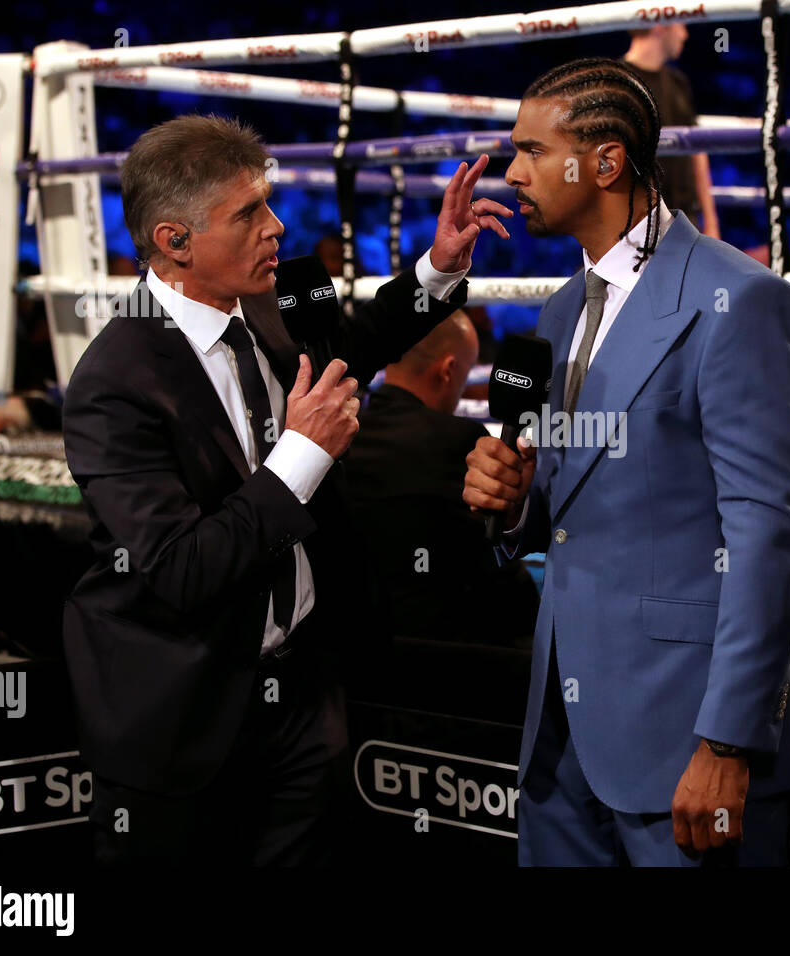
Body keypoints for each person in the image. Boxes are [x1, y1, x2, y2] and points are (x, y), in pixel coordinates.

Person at [61, 114, 510, 864]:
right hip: (181, 718)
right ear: (175, 242)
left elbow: (354, 352)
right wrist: (302, 453)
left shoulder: (261, 304)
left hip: (302, 696)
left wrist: (436, 268)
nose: (275, 227)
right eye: (248, 213)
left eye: (267, 203)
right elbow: (180, 568)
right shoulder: (112, 383)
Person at [463, 58, 790, 866]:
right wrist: (511, 501)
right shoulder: (558, 312)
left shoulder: (741, 300)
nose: (511, 172)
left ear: (605, 160)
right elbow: (565, 515)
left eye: (528, 150)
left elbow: (767, 538)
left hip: (684, 744)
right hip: (560, 743)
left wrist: (727, 741)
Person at [341, 311, 539, 644]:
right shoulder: (457, 441)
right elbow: (498, 573)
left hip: (353, 645)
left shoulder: (344, 433)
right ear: (448, 370)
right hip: (440, 653)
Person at [622, 24, 720, 239]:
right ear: (660, 25)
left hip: (684, 219)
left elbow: (698, 152)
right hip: (635, 223)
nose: (685, 34)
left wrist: (711, 222)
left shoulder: (678, 82)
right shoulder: (617, 81)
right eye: (681, 24)